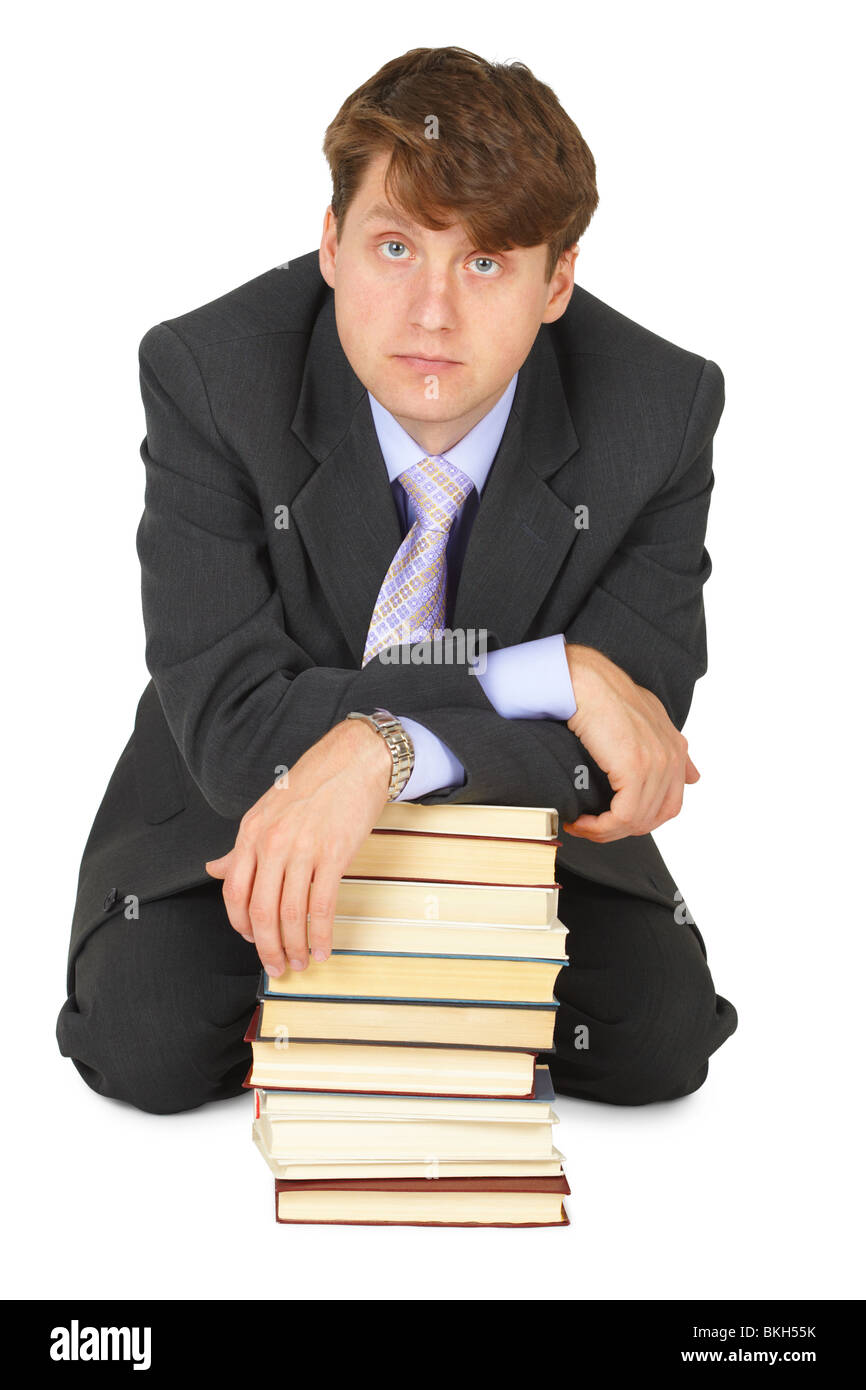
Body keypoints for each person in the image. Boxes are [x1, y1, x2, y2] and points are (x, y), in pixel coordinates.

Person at [56, 45, 737, 1115]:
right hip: (246, 796)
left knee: (652, 1044)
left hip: (521, 824)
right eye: (392, 248)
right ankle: (390, 999)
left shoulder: (660, 407)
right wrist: (546, 674)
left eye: (483, 263)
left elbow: (620, 737)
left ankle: (396, 989)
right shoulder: (205, 373)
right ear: (328, 246)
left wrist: (386, 748)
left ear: (555, 279)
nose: (429, 314)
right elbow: (235, 721)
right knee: (146, 1039)